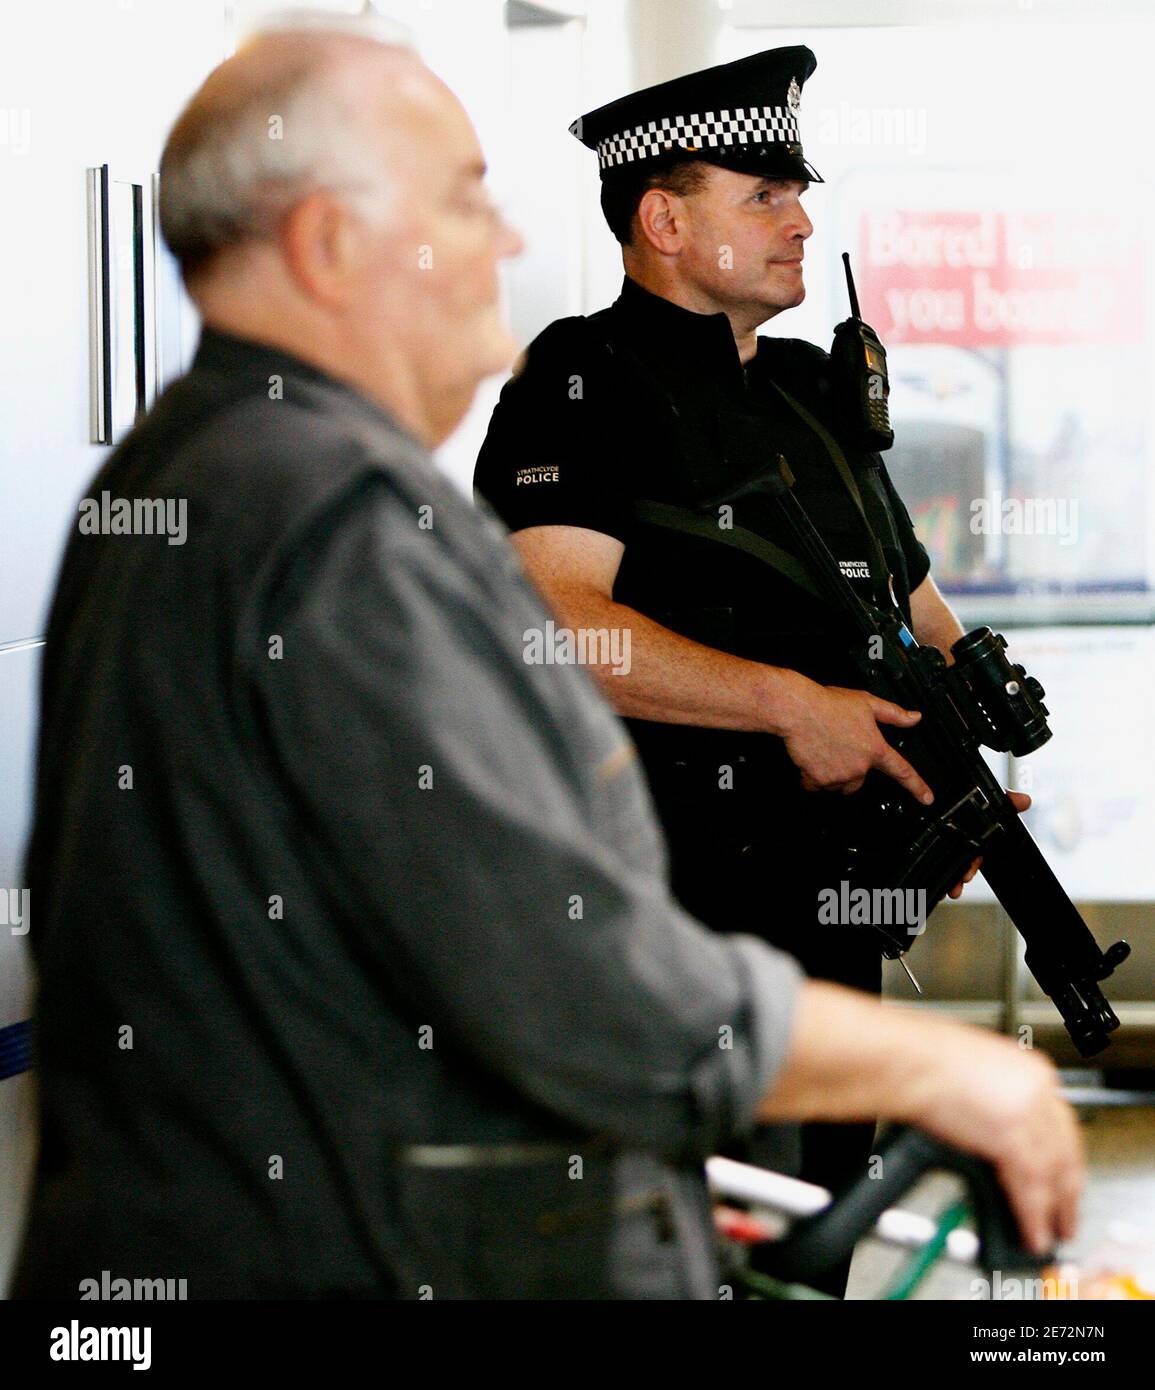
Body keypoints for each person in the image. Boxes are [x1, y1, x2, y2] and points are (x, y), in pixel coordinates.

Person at [11, 18, 1078, 1301]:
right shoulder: (334, 520)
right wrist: (954, 1071)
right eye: (465, 203)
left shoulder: (201, 468)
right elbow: (566, 973)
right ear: (330, 243)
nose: (508, 244)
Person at [473, 45, 1032, 1295]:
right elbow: (558, 621)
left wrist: (965, 755)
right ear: (664, 221)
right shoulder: (582, 379)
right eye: (763, 193)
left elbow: (904, 592)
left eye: (801, 192)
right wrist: (787, 704)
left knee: (815, 1233)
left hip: (828, 912)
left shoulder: (804, 387)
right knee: (694, 1248)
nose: (802, 218)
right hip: (671, 919)